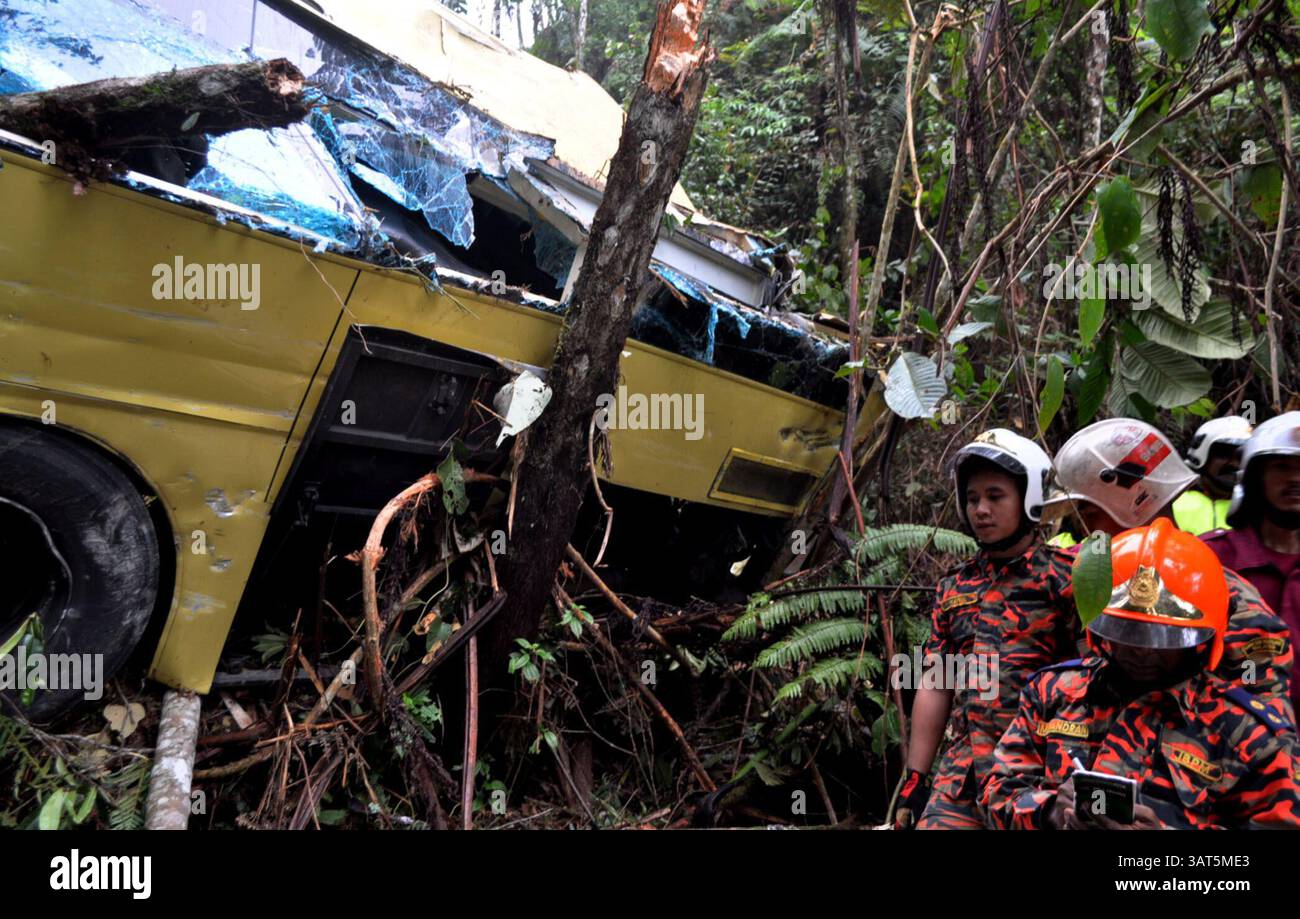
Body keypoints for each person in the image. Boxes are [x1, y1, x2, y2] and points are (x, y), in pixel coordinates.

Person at [981, 518, 1300, 830]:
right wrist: (1050, 811)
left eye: (1163, 637)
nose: (1141, 650)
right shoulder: (1053, 693)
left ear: (1201, 640)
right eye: (1127, 630)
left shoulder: (1249, 735)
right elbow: (997, 790)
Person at [1043, 418, 1294, 722]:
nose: (1083, 533)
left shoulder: (1231, 600)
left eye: (1089, 515)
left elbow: (1263, 734)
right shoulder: (1079, 581)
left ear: (1137, 504)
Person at [895, 429, 1078, 829]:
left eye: (996, 496)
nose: (981, 509)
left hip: (1042, 771)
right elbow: (936, 682)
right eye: (973, 498)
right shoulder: (955, 586)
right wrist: (915, 777)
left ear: (1029, 500)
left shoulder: (1066, 578)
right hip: (964, 772)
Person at [1204, 411, 1300, 720]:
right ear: (1256, 477)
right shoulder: (1212, 558)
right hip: (1225, 743)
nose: (1295, 478)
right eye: (1281, 467)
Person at [1172, 415, 1252, 535]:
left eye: (1241, 457)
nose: (1235, 464)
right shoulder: (1173, 503)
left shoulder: (1255, 510)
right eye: (1225, 454)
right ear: (1202, 456)